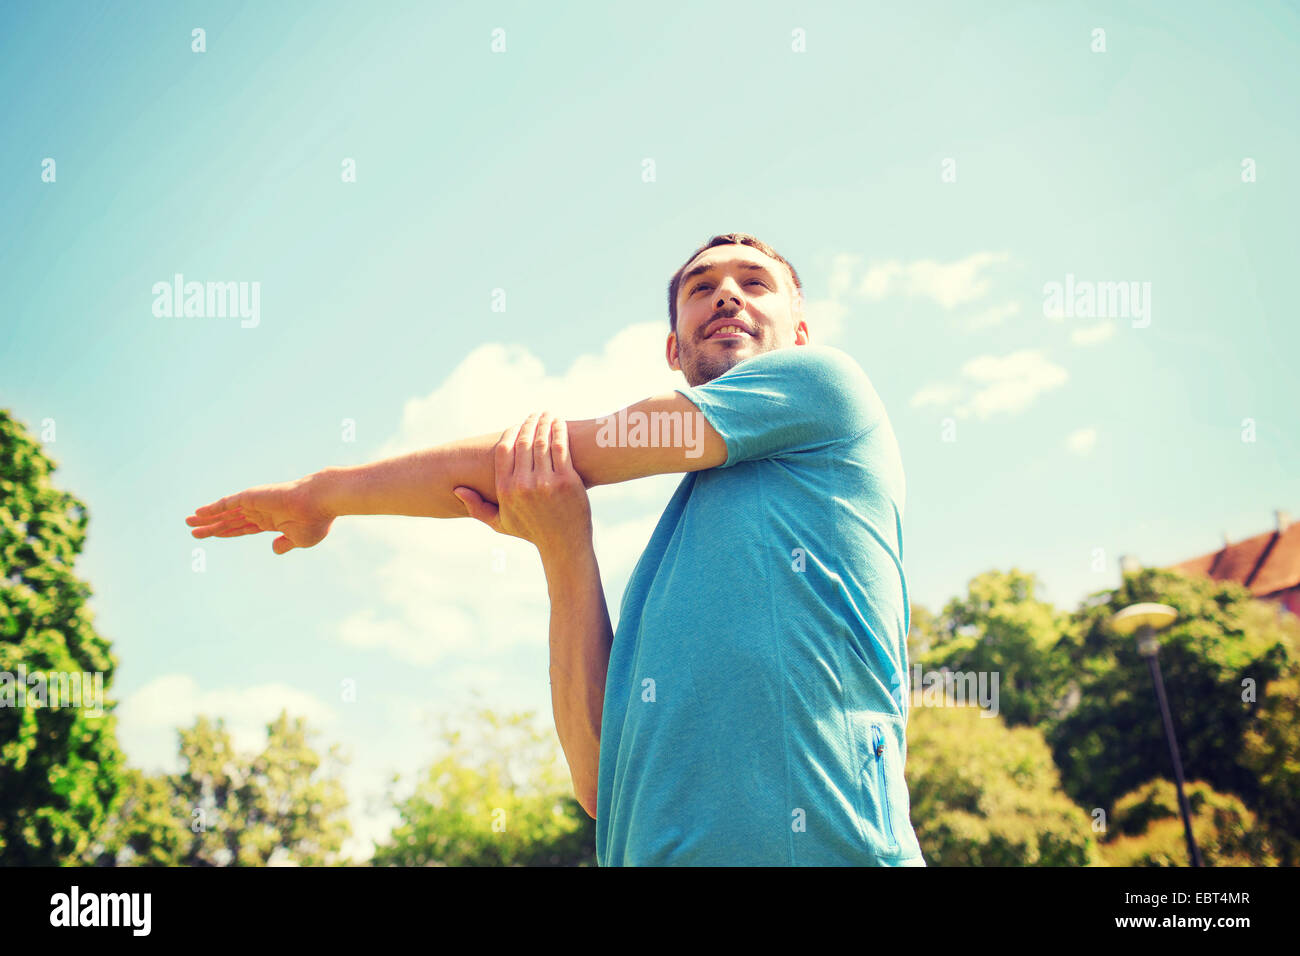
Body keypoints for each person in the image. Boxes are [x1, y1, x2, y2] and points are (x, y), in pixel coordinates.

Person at [185, 232, 925, 866]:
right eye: (702, 288)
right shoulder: (661, 578)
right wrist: (566, 550)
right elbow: (601, 786)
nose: (727, 294)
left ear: (800, 334)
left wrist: (327, 494)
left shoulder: (825, 388)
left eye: (753, 282)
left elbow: (554, 454)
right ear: (673, 348)